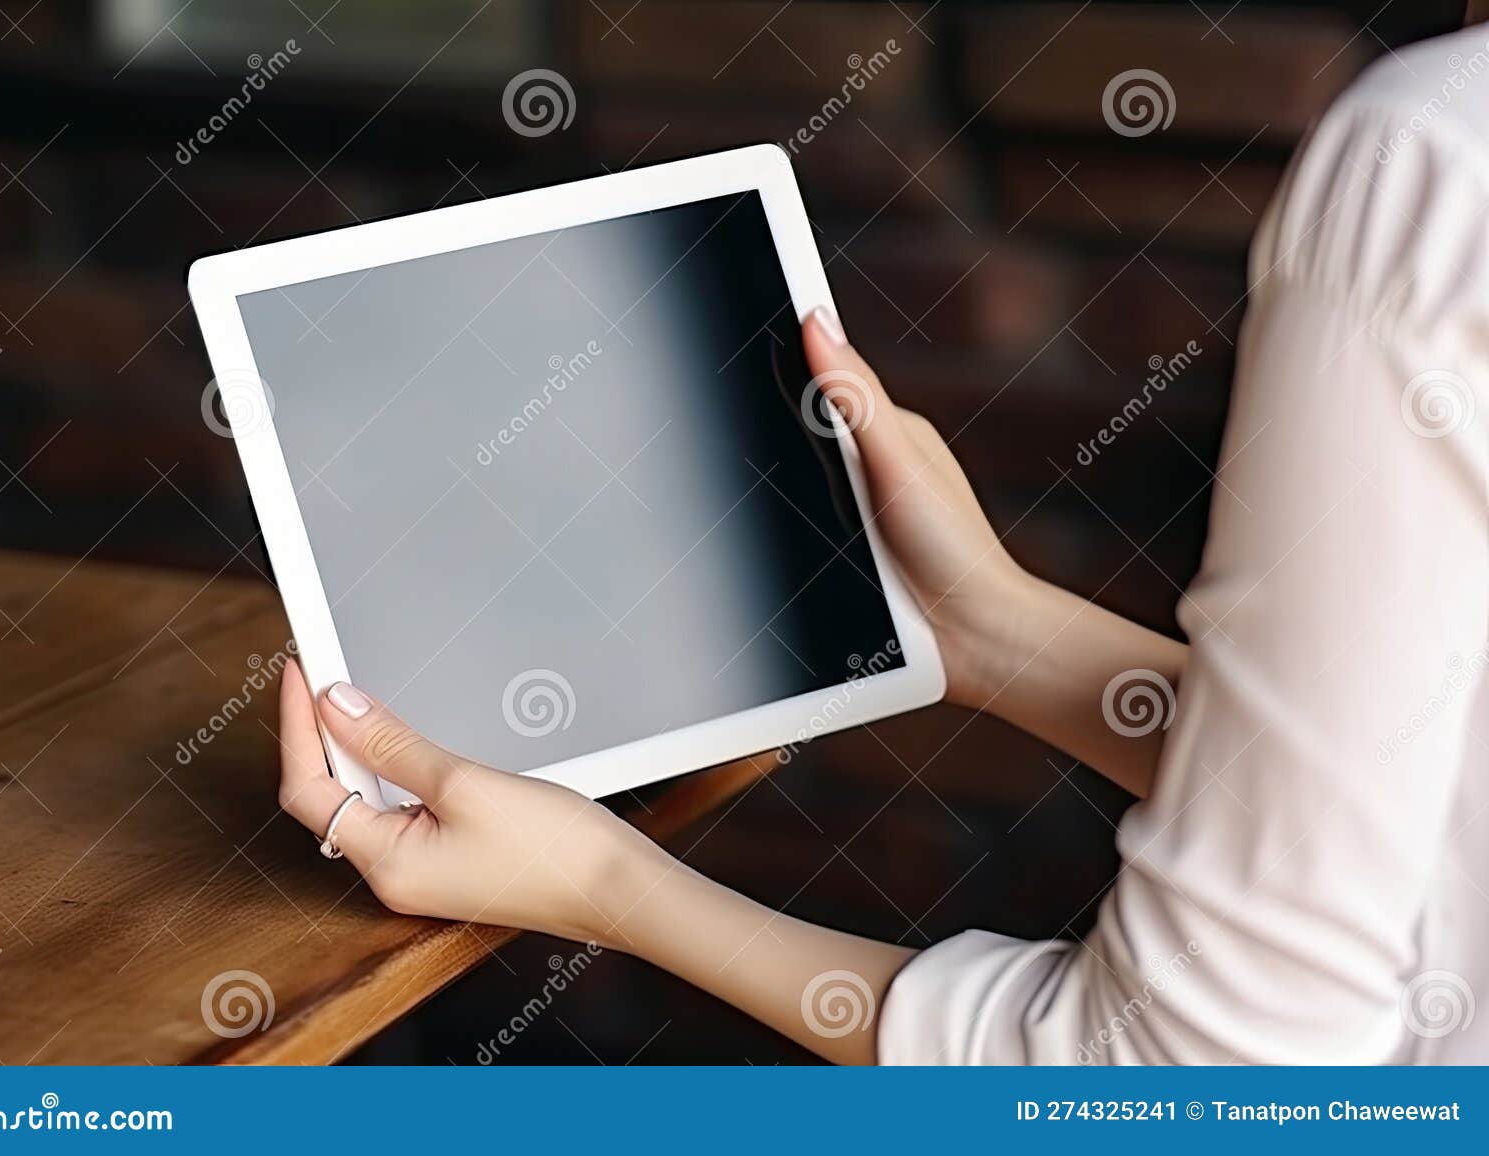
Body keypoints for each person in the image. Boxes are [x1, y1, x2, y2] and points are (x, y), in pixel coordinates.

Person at [275, 15, 1489, 1064]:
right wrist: (993, 629)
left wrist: (608, 885)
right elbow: (1411, 807)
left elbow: (1198, 1083)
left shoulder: (1435, 157)